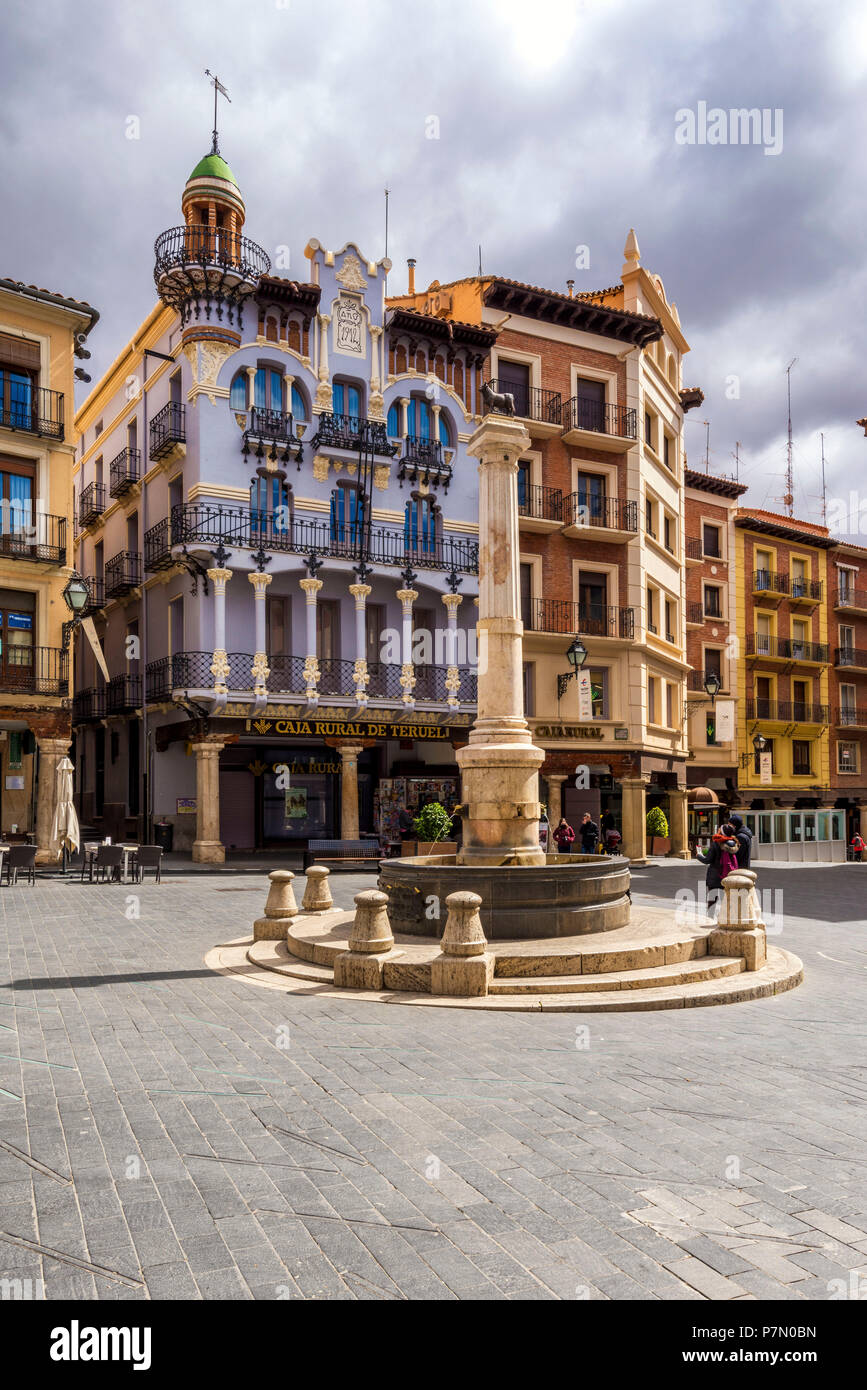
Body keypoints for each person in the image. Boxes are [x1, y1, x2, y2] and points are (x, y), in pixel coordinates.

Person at [696, 820, 740, 919]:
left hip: (715, 877)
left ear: (722, 832)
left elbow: (707, 860)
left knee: (712, 901)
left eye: (720, 830)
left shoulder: (717, 844)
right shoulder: (734, 844)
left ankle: (710, 919)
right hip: (728, 876)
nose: (718, 831)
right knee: (726, 901)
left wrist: (699, 855)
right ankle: (727, 919)